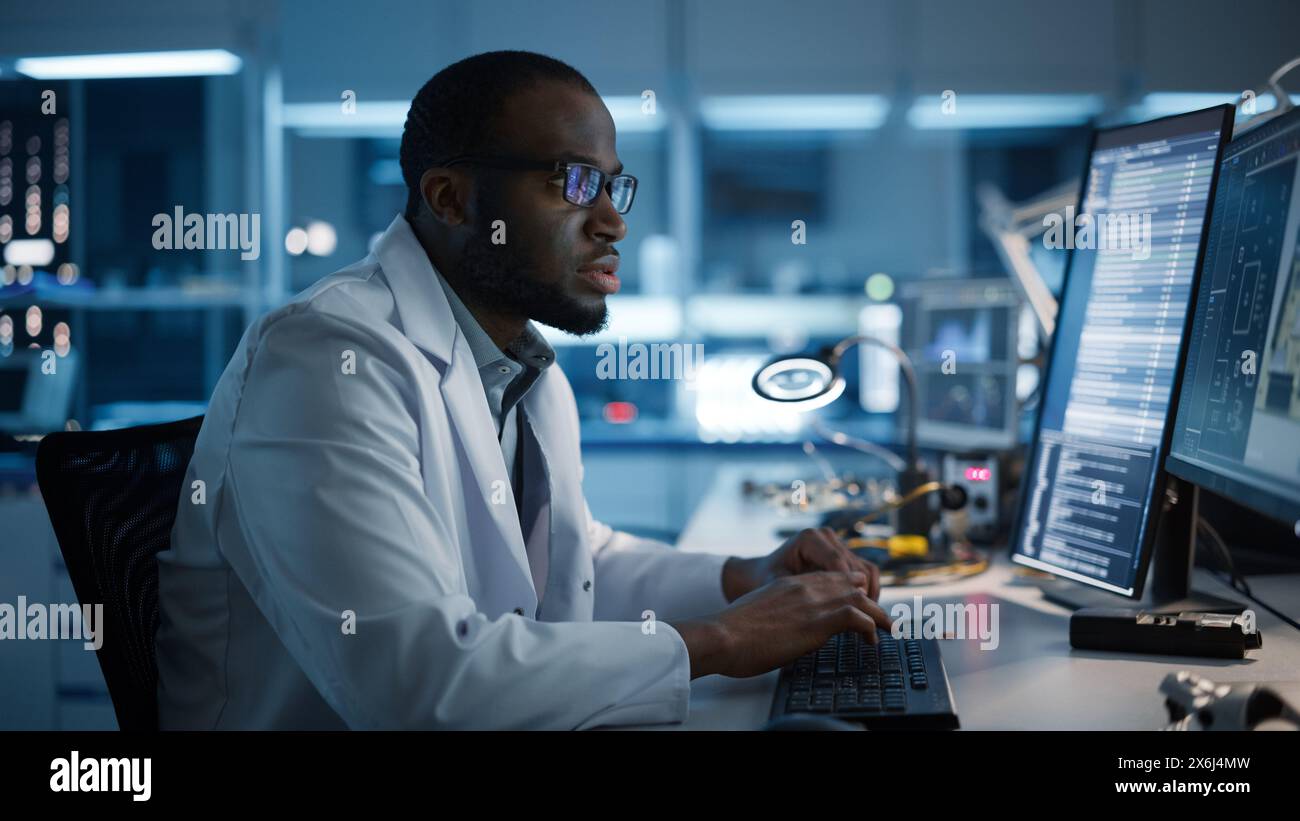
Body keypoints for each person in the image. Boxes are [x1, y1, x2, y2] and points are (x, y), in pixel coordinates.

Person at [156, 50, 890, 730]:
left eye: (612, 184)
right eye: (571, 181)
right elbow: (415, 681)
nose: (612, 221)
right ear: (450, 198)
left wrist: (743, 577)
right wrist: (726, 638)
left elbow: (575, 566)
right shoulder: (327, 356)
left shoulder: (520, 363)